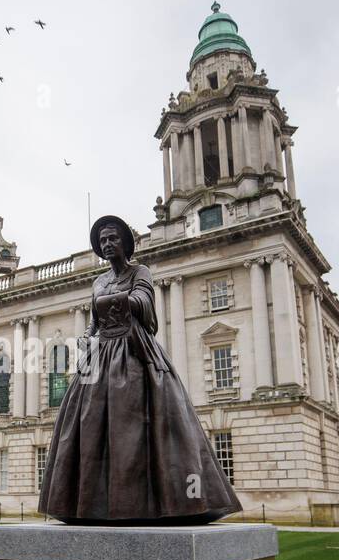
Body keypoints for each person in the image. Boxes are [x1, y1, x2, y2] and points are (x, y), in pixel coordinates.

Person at [38, 215, 242, 525]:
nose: (107, 244)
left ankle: (167, 502)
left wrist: (121, 303)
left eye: (113, 238)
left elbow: (144, 303)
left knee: (148, 423)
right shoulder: (98, 281)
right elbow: (95, 317)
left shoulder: (140, 271)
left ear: (125, 242)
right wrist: (88, 334)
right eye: (103, 240)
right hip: (101, 354)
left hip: (134, 352)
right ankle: (89, 503)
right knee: (86, 425)